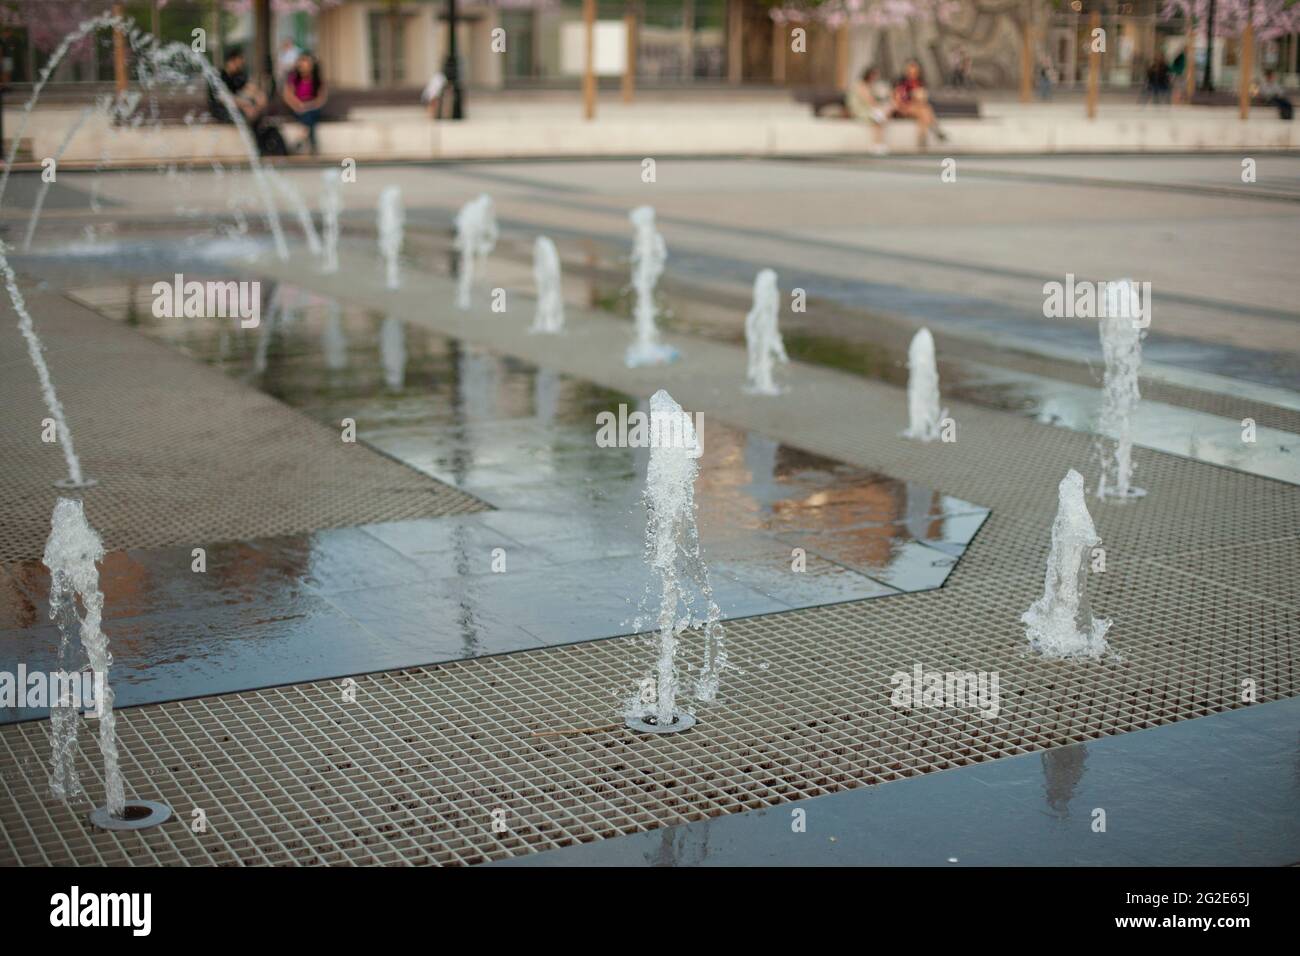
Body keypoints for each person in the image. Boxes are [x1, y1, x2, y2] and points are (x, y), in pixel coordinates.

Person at [892, 59, 946, 149]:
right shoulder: (901, 83)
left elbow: (922, 98)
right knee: (925, 110)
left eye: (915, 72)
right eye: (911, 71)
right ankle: (935, 128)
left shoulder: (919, 82)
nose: (913, 74)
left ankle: (922, 139)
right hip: (903, 108)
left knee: (924, 112)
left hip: (916, 108)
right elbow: (898, 99)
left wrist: (919, 96)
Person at [208, 47, 267, 127]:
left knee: (255, 116)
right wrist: (246, 104)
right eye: (240, 59)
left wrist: (259, 95)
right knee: (245, 115)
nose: (243, 62)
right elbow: (223, 99)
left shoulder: (238, 75)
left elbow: (250, 88)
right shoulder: (218, 76)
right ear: (232, 60)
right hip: (221, 110)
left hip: (235, 108)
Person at [283, 51, 328, 154]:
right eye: (301, 62)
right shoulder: (293, 78)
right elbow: (288, 95)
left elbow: (321, 99)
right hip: (298, 107)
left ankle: (300, 139)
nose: (302, 65)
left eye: (306, 62)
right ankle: (313, 146)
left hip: (313, 107)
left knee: (310, 114)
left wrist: (309, 105)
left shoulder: (317, 79)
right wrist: (298, 105)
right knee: (309, 118)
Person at [847, 66, 891, 155]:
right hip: (859, 111)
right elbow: (870, 101)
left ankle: (878, 143)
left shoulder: (870, 86)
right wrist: (881, 108)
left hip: (868, 110)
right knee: (879, 117)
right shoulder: (861, 85)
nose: (875, 78)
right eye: (874, 75)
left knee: (881, 116)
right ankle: (878, 144)